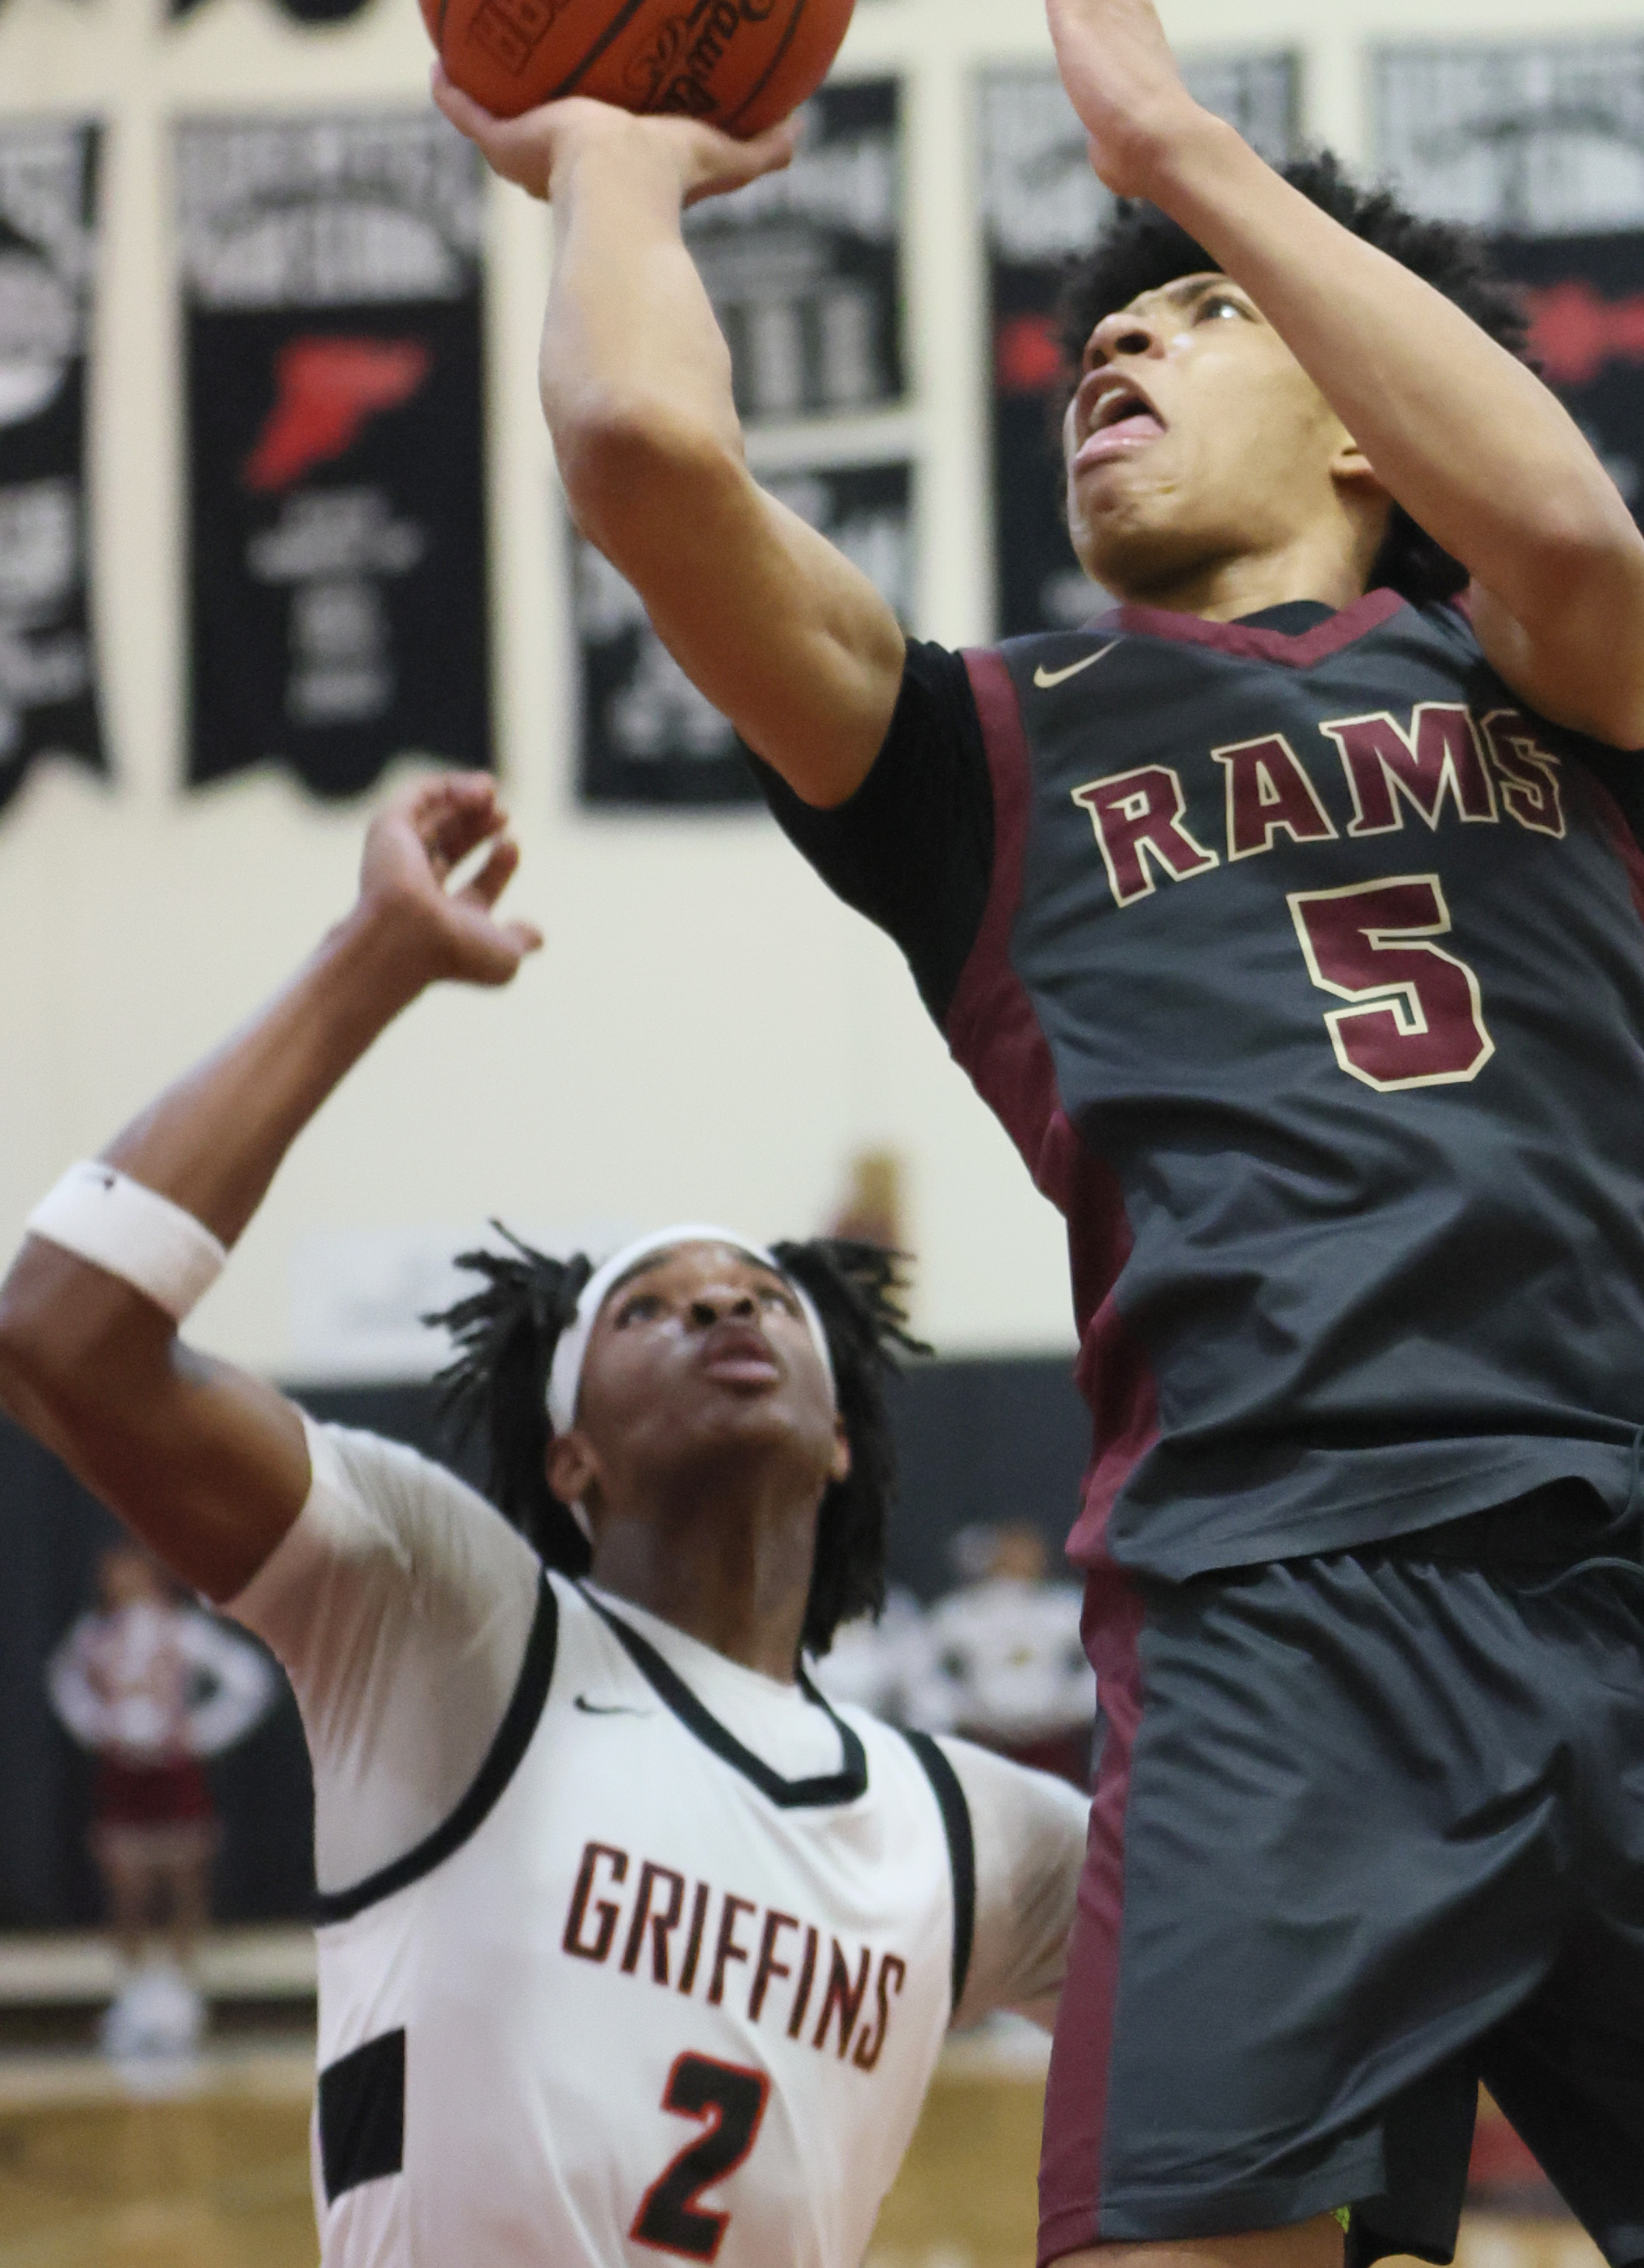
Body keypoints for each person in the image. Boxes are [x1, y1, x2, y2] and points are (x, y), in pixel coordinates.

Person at [429, 0, 1644, 2268]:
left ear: (1362, 424)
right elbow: (640, 455)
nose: (1113, 353)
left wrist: (1173, 146)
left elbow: (1568, 519)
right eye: (1100, 339)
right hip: (1279, 1623)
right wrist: (612, 144)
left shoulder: (1540, 667)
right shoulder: (976, 751)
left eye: (1201, 319)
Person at [0, 774, 1087, 2267]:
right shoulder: (451, 1626)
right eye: (648, 1309)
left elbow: (1273, 1995)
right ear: (571, 1459)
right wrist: (371, 958)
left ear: (841, 1435)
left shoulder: (973, 1831)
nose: (719, 1306)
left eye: (764, 1297)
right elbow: (65, 1334)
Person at [47, 1537, 276, 2059]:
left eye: (127, 1571)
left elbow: (249, 1681)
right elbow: (66, 1685)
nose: (117, 1581)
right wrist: (99, 1728)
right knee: (127, 1888)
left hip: (173, 1775)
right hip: (123, 1776)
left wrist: (199, 1732)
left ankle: (184, 1993)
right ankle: (133, 1993)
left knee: (183, 1881)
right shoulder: (95, 1635)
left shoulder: (184, 1630)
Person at [922, 1523, 1094, 1785]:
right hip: (984, 1742)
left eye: (1027, 1551)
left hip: (1055, 1744)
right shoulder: (961, 1611)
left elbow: (1102, 1666)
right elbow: (925, 1674)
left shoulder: (1065, 1607)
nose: (1019, 1560)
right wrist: (964, 1712)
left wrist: (1068, 1710)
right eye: (1011, 1550)